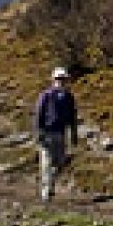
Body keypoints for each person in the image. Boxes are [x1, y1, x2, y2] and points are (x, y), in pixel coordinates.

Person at [35, 67, 78, 200]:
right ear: (53, 80)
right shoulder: (46, 95)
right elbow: (39, 114)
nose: (61, 82)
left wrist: (74, 133)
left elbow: (72, 117)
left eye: (63, 79)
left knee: (60, 162)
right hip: (47, 132)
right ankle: (46, 192)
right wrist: (39, 132)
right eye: (58, 79)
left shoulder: (69, 97)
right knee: (47, 162)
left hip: (61, 133)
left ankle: (49, 183)